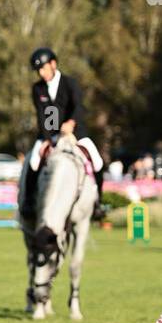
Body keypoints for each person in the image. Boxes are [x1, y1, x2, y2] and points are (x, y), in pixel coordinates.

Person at [22, 48, 105, 222]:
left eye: (43, 68)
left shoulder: (70, 83)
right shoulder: (38, 89)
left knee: (97, 161)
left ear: (53, 64)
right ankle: (28, 201)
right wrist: (46, 140)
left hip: (76, 132)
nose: (41, 73)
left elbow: (78, 107)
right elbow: (42, 116)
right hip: (49, 134)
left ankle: (98, 202)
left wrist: (71, 123)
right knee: (34, 161)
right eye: (38, 70)